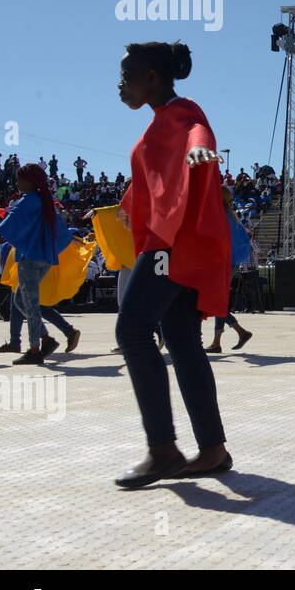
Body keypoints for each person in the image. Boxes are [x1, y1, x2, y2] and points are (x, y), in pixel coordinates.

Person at [112, 41, 234, 488]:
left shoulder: (182, 114)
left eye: (127, 76)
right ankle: (213, 449)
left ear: (151, 78)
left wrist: (202, 153)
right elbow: (151, 175)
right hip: (171, 238)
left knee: (131, 331)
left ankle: (162, 449)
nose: (120, 84)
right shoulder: (158, 124)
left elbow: (198, 135)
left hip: (172, 243)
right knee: (181, 342)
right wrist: (127, 202)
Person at [0, 164, 73, 364]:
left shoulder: (29, 200)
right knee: (22, 302)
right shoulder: (44, 201)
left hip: (30, 258)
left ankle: (34, 349)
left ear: (31, 181)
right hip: (43, 258)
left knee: (29, 304)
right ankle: (46, 339)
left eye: (20, 179)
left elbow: (13, 220)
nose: (17, 183)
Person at [205, 188, 255, 353]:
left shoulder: (219, 216)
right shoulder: (231, 216)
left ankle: (240, 332)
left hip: (222, 264)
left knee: (216, 304)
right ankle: (218, 342)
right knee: (219, 302)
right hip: (230, 263)